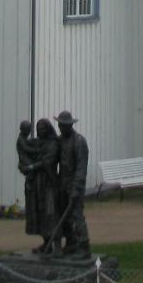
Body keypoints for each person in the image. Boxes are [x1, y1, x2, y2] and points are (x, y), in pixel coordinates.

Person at [17, 118, 60, 251]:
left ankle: (55, 243)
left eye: (42, 129)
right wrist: (22, 165)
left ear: (47, 129)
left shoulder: (53, 144)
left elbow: (48, 162)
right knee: (38, 212)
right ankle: (46, 242)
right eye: (37, 129)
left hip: (48, 183)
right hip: (36, 183)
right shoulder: (36, 143)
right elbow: (23, 149)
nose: (39, 132)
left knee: (49, 212)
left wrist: (31, 167)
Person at [54, 110, 90, 257]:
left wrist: (76, 189)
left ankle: (84, 247)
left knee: (76, 216)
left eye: (64, 125)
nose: (61, 128)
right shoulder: (59, 140)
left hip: (75, 186)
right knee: (63, 215)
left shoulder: (79, 142)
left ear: (70, 125)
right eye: (60, 125)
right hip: (62, 184)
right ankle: (71, 243)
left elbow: (81, 169)